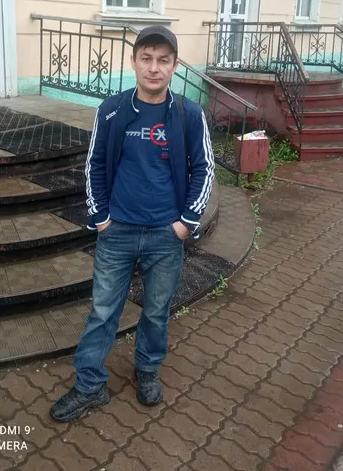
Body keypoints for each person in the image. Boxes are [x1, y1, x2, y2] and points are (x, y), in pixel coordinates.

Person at [50, 25, 214, 422]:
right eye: (147, 58)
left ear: (174, 65)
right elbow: (94, 165)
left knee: (156, 311)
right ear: (134, 61)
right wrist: (101, 219)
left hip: (166, 235)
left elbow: (204, 169)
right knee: (103, 311)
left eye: (163, 60)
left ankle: (147, 369)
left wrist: (185, 224)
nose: (154, 68)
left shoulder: (188, 114)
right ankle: (89, 385)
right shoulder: (112, 110)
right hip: (117, 233)